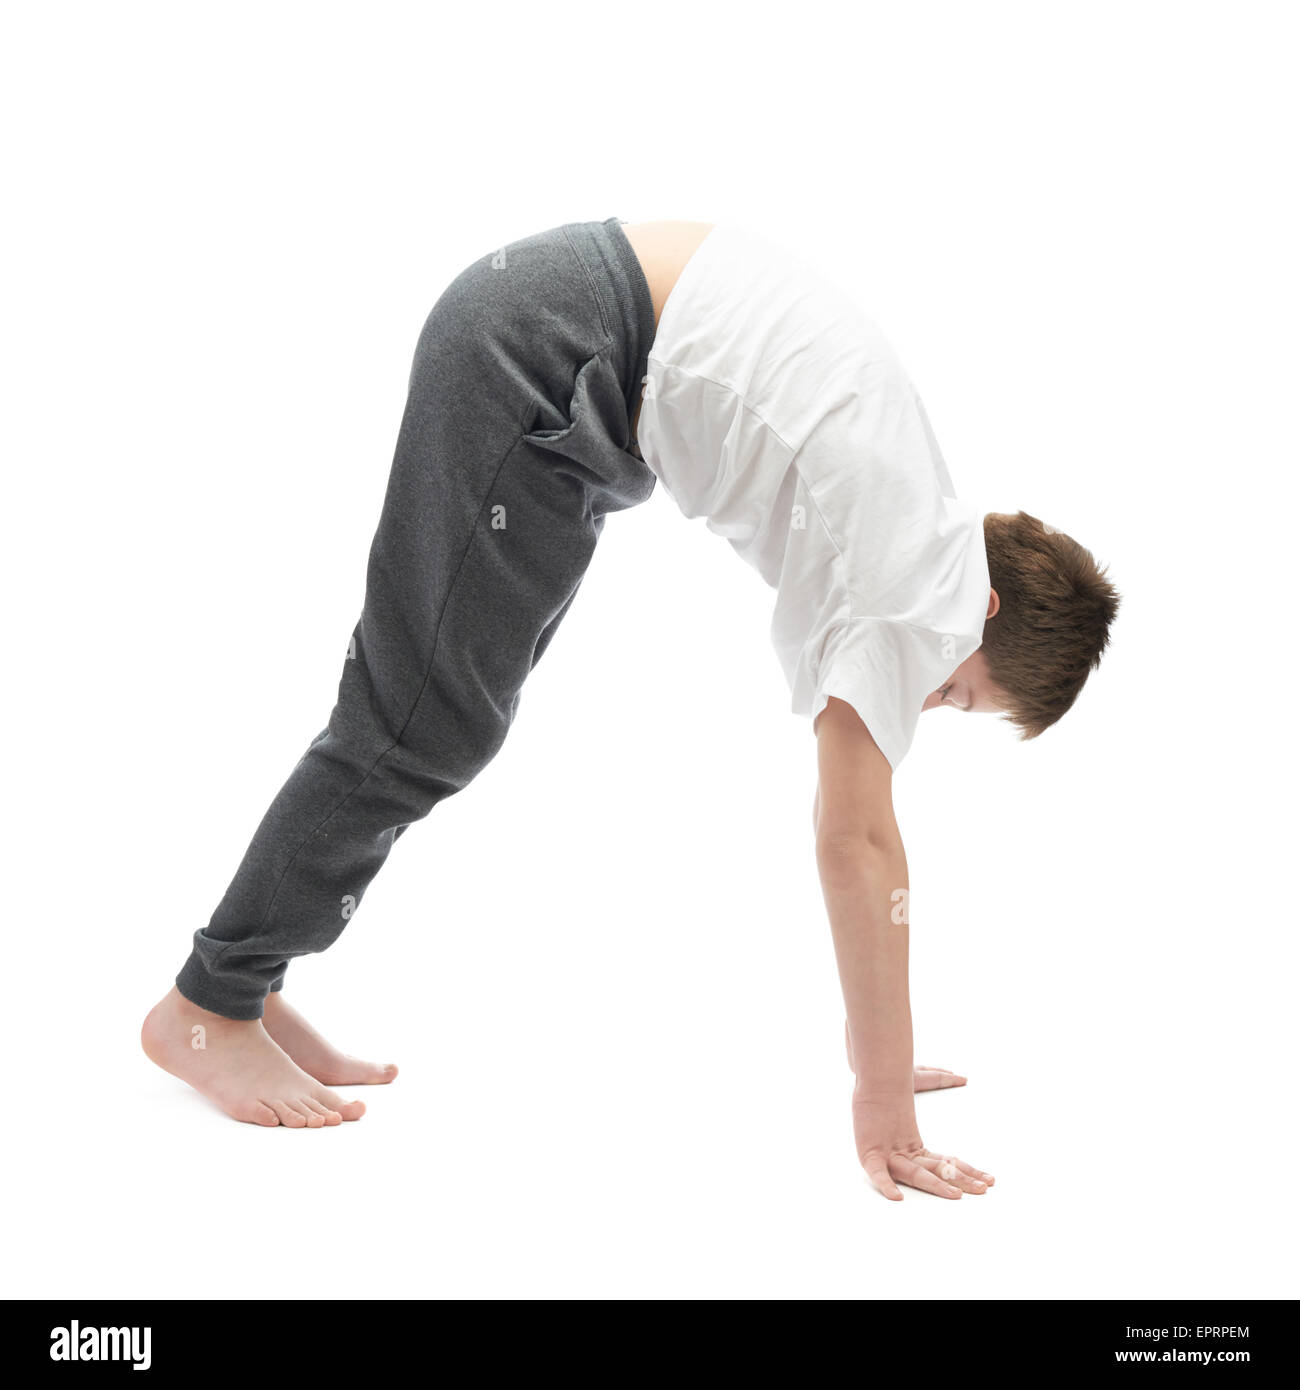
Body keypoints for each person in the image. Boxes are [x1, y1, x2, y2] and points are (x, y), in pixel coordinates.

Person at [143, 217, 1119, 1200]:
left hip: (573, 360)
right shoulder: (916, 586)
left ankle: (250, 976)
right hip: (548, 350)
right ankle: (207, 1006)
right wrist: (880, 1091)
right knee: (420, 723)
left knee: (443, 709)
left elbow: (850, 824)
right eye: (960, 690)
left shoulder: (920, 515)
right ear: (985, 609)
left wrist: (884, 1039)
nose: (931, 697)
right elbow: (857, 841)